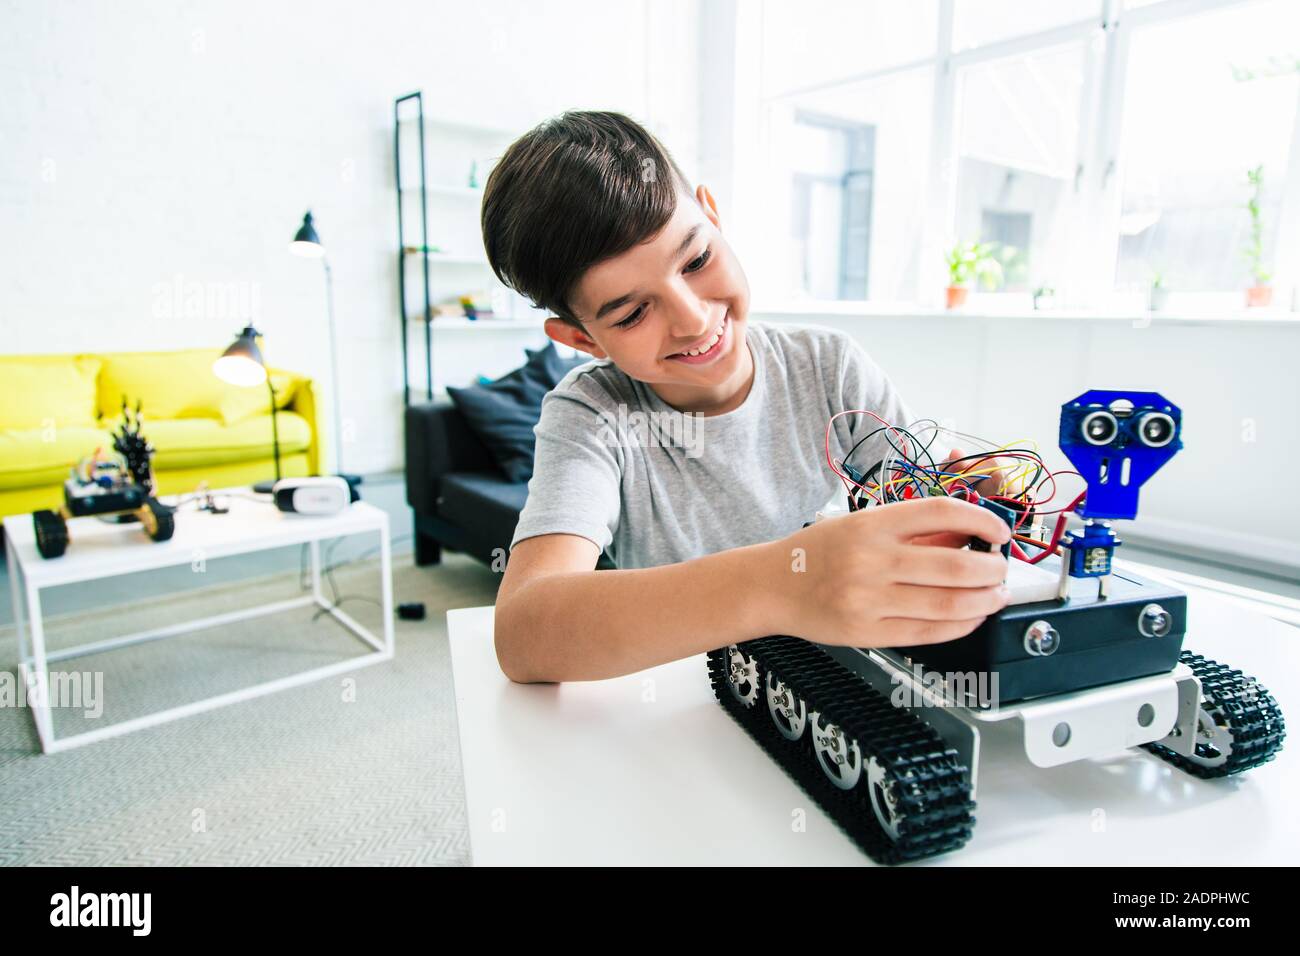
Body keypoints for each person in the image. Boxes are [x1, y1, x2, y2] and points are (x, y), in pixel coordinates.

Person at [482, 111, 1011, 683]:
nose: (692, 319)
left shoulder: (830, 367)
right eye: (633, 313)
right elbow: (523, 635)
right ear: (583, 340)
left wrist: (964, 509)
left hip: (831, 686)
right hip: (686, 702)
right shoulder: (593, 415)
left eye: (696, 260)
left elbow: (914, 509)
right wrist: (785, 582)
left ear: (712, 216)